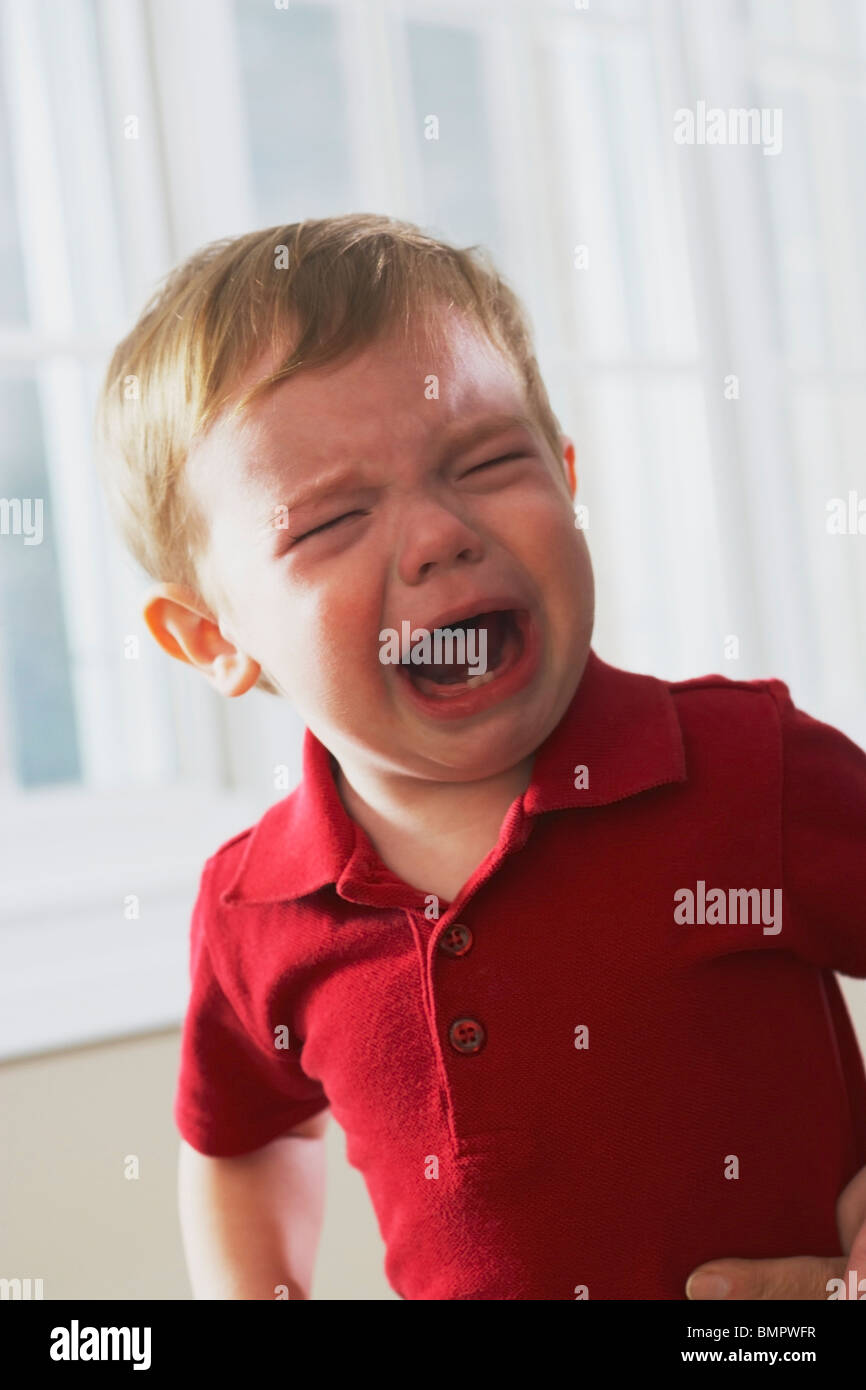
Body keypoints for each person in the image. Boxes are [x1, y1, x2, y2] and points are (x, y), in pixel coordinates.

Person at [95, 214, 866, 1300]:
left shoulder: (749, 767)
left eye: (488, 460)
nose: (438, 535)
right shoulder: (251, 909)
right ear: (215, 637)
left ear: (563, 474)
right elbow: (243, 1139)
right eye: (328, 521)